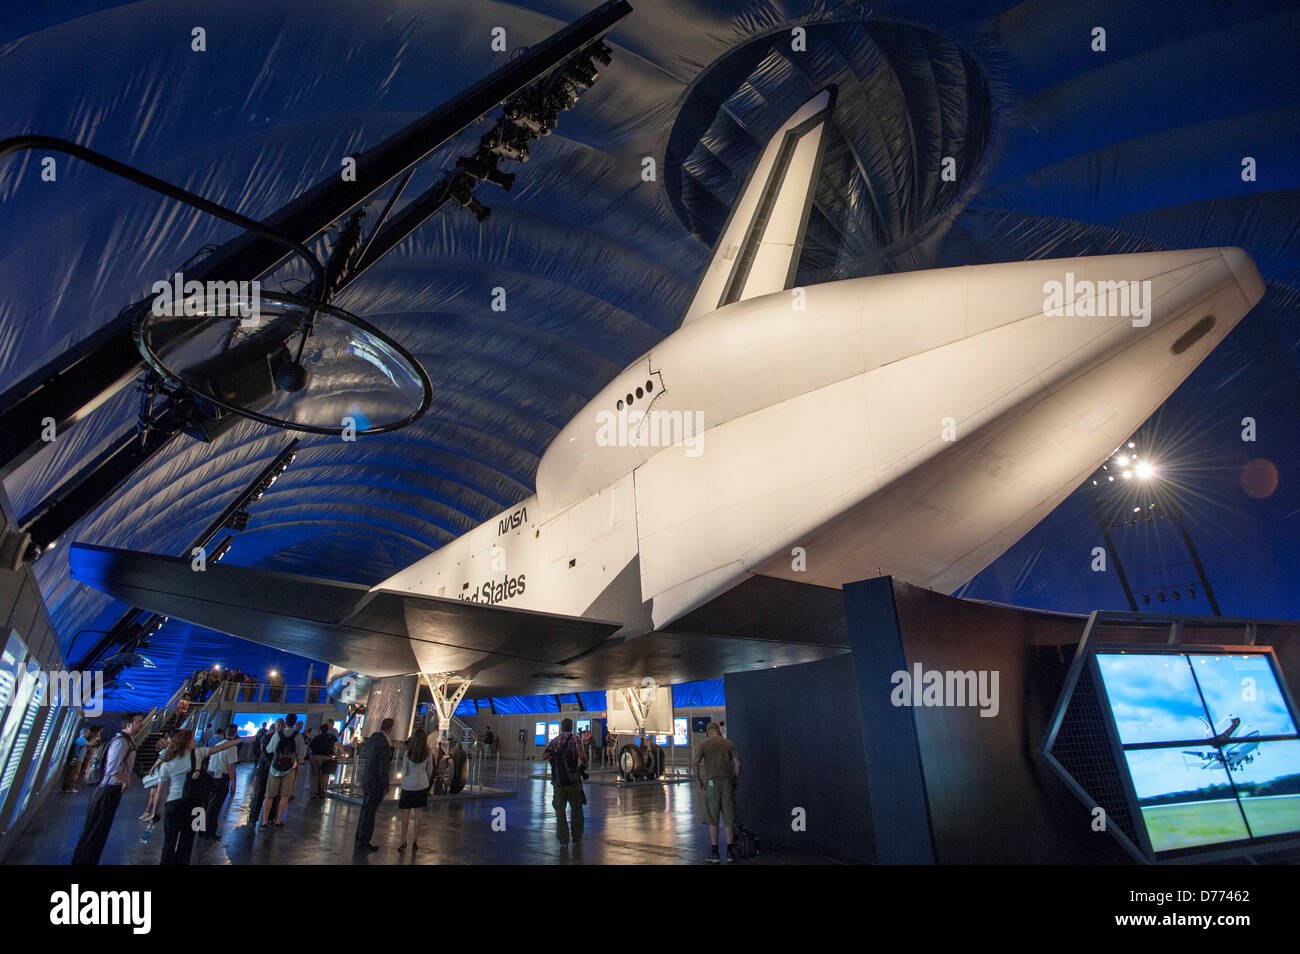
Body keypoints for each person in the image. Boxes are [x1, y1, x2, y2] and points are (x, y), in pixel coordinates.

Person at [154, 728, 241, 864]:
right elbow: (221, 747)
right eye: (191, 739)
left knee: (169, 842)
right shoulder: (198, 754)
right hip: (196, 805)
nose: (194, 741)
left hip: (173, 805)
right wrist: (240, 740)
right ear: (186, 741)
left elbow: (160, 791)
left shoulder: (167, 762)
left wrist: (156, 810)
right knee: (188, 841)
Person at [70, 713, 144, 865]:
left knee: (99, 832)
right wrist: (126, 780)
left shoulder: (128, 742)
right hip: (107, 791)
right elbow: (112, 768)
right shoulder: (121, 742)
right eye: (138, 722)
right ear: (128, 724)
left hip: (112, 791)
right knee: (94, 832)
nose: (141, 724)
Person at [692, 722, 741, 863]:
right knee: (729, 819)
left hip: (712, 785)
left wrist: (700, 780)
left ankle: (715, 853)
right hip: (727, 784)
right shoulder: (728, 743)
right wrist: (735, 779)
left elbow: (695, 763)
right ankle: (730, 852)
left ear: (708, 732)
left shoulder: (704, 744)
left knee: (713, 820)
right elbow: (737, 762)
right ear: (718, 731)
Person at [542, 717, 588, 845]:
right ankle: (577, 837)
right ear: (571, 726)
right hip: (573, 781)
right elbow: (582, 755)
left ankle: (563, 839)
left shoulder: (554, 741)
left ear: (562, 727)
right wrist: (584, 765)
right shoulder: (574, 739)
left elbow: (544, 756)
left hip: (558, 782)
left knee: (560, 811)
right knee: (577, 809)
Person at [354, 717, 394, 852]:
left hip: (367, 780)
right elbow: (383, 767)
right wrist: (386, 785)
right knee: (370, 813)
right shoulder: (384, 744)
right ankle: (364, 841)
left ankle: (360, 839)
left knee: (365, 811)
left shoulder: (373, 739)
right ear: (390, 729)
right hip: (376, 783)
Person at [260, 714, 306, 827]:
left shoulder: (277, 734)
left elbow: (269, 749)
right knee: (284, 796)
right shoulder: (298, 736)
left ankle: (264, 821)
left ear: (286, 721)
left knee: (269, 795)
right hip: (289, 768)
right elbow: (301, 754)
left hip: (274, 768)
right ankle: (278, 820)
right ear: (295, 722)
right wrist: (297, 761)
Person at [398, 727, 433, 852]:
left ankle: (403, 841)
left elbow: (404, 769)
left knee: (405, 814)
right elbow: (430, 770)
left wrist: (401, 778)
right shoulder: (428, 753)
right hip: (422, 785)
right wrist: (426, 781)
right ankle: (415, 841)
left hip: (408, 785)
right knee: (419, 814)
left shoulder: (409, 752)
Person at [201, 725, 240, 838]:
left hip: (211, 775)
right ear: (235, 734)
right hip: (222, 778)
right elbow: (231, 766)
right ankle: (209, 832)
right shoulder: (232, 747)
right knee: (214, 806)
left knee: (208, 804)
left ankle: (202, 830)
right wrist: (233, 783)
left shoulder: (218, 745)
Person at [309, 721, 338, 798]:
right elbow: (337, 745)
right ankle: (321, 792)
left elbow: (311, 747)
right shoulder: (332, 737)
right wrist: (342, 753)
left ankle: (314, 792)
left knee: (315, 775)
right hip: (326, 758)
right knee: (324, 776)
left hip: (315, 757)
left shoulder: (316, 738)